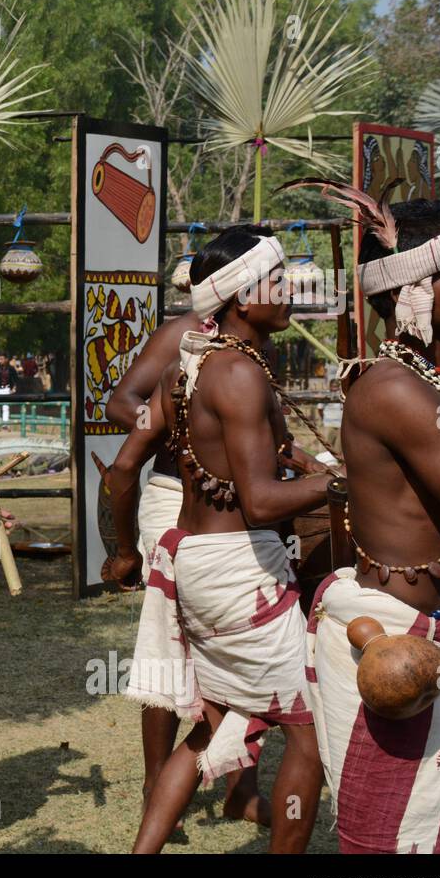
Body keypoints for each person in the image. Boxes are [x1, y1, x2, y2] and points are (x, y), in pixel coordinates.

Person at [126, 225, 330, 854]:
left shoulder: (194, 364)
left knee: (216, 721)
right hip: (237, 569)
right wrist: (343, 487)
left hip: (201, 565)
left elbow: (241, 462)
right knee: (308, 732)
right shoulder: (238, 371)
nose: (289, 288)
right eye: (277, 279)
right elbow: (261, 500)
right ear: (242, 298)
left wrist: (301, 462)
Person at [302, 197, 440, 852]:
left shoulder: (439, 386)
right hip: (396, 649)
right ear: (415, 290)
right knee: (395, 848)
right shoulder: (396, 391)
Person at [102, 295, 270, 827]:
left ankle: (242, 785)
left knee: (247, 643)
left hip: (238, 503)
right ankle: (158, 782)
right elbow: (121, 403)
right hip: (176, 495)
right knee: (169, 643)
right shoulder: (181, 334)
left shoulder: (254, 351)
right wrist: (188, 429)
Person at [0, 353, 17, 424]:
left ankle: (5, 423)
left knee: (5, 406)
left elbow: (16, 379)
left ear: (6, 359)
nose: (0, 361)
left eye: (2, 359)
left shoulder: (11, 368)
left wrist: (14, 388)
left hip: (7, 388)